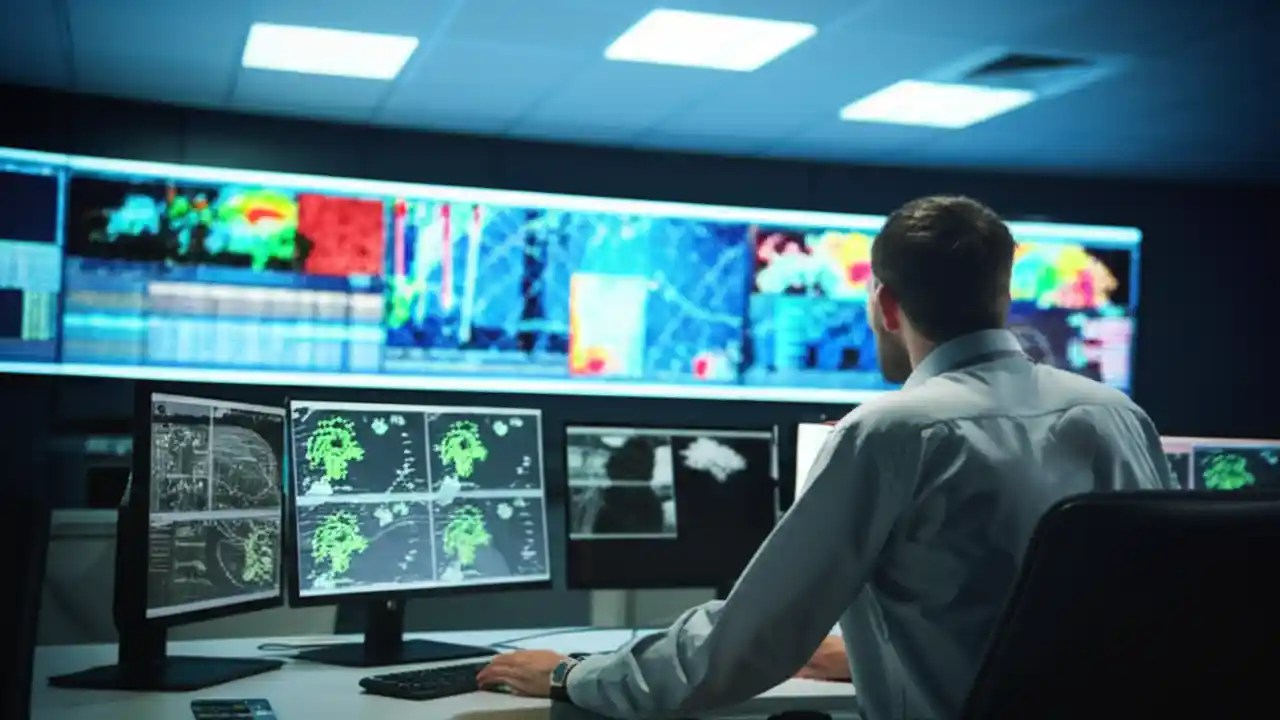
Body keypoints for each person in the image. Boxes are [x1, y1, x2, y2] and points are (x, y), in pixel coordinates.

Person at [476, 196, 1175, 720]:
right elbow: (1112, 609)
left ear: (884, 303)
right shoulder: (1116, 414)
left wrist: (576, 675)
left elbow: (745, 646)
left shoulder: (892, 431)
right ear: (1005, 294)